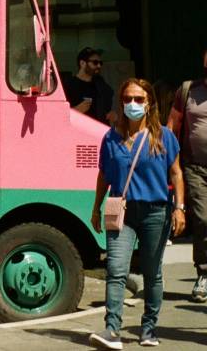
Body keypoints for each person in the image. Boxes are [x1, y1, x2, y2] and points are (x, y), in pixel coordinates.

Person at [89, 78, 185, 349]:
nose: (133, 104)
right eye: (128, 99)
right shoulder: (111, 137)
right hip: (121, 211)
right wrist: (96, 208)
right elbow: (104, 176)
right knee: (116, 269)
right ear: (122, 102)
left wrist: (179, 208)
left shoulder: (164, 136)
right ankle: (112, 330)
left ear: (150, 103)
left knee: (152, 272)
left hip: (156, 212)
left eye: (139, 99)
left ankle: (148, 329)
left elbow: (176, 173)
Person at [167, 46, 207, 303]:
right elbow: (172, 126)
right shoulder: (188, 90)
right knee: (204, 218)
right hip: (196, 168)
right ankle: (204, 273)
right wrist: (166, 161)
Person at [64, 47, 115, 124]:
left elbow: (108, 103)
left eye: (100, 63)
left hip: (100, 131)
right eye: (95, 62)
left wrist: (111, 114)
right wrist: (76, 111)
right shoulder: (68, 85)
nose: (99, 66)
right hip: (79, 131)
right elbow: (59, 115)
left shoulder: (100, 83)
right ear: (82, 63)